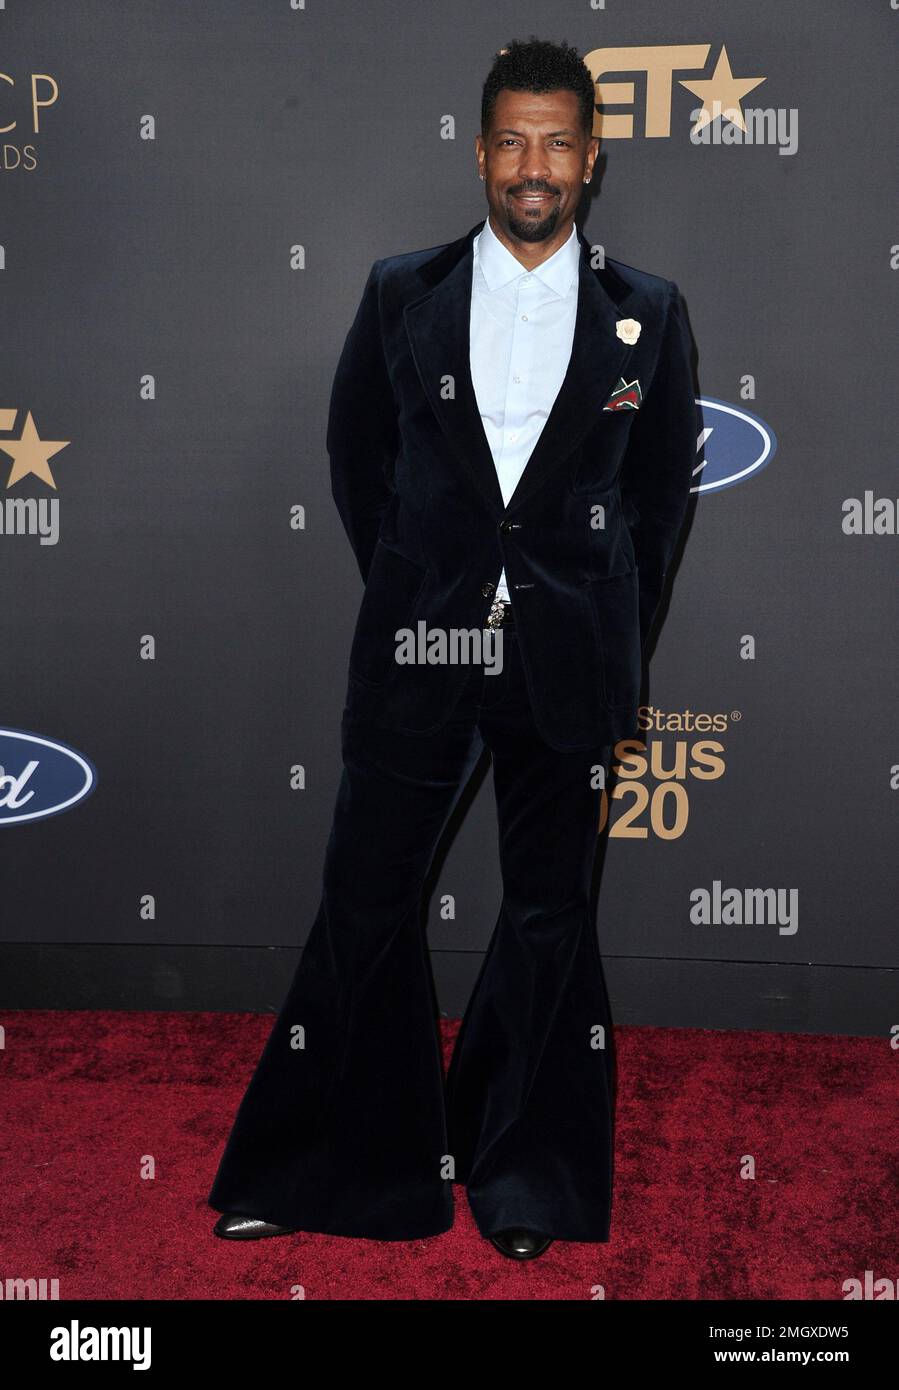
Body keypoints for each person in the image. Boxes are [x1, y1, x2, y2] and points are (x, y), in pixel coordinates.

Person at [208, 35, 698, 1261]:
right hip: (416, 657)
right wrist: (422, 597)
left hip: (567, 670)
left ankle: (519, 1175)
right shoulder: (397, 293)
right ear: (479, 153)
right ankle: (326, 1171)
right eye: (512, 140)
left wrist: (595, 638)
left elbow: (655, 510)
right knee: (363, 904)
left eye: (559, 142)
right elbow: (354, 465)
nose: (534, 165)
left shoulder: (648, 312)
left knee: (546, 917)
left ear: (591, 158)